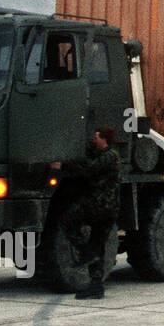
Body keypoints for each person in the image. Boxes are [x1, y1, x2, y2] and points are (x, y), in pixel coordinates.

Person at [50, 126, 121, 300]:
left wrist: (63, 165)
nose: (94, 140)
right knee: (98, 246)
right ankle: (96, 286)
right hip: (105, 208)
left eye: (96, 137)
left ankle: (85, 252)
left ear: (104, 139)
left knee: (68, 221)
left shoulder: (111, 156)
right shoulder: (103, 153)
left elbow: (90, 169)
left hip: (102, 206)